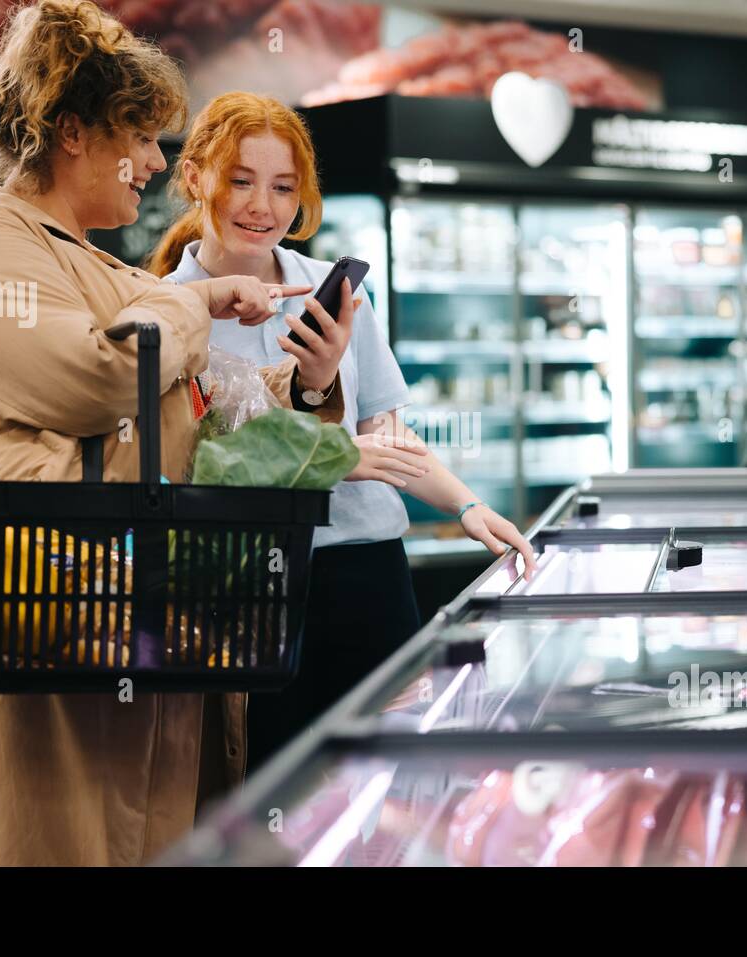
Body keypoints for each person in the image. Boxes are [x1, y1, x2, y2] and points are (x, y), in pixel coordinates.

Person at [0, 1, 349, 865]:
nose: (152, 164)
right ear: (71, 130)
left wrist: (308, 385)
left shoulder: (96, 264)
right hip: (51, 658)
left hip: (142, 641)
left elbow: (211, 400)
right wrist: (191, 298)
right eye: (139, 137)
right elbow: (104, 380)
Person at [150, 92, 537, 772]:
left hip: (367, 574)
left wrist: (468, 506)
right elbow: (195, 465)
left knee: (390, 782)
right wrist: (322, 427)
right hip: (251, 582)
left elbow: (385, 437)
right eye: (240, 181)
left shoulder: (334, 292)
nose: (262, 206)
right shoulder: (163, 309)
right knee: (274, 786)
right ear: (193, 178)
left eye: (283, 188)